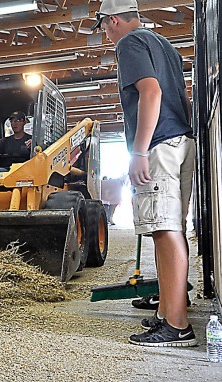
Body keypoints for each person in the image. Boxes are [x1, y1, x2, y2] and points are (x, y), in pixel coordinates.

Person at [92, 0, 196, 347]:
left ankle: (177, 326)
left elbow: (151, 91)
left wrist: (138, 151)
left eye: (105, 26)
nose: (106, 34)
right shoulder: (164, 44)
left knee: (165, 231)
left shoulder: (130, 43)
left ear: (115, 20)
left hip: (159, 143)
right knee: (164, 230)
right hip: (178, 139)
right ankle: (168, 313)